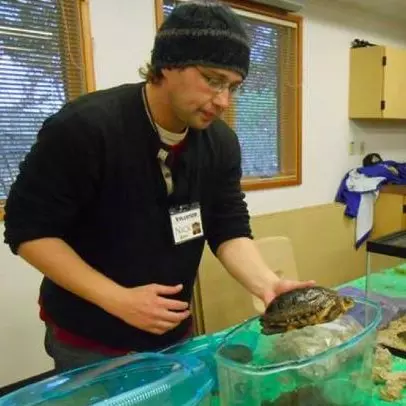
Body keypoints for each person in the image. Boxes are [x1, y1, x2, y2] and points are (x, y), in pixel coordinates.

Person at [3, 0, 314, 372]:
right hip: (90, 338)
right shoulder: (85, 128)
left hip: (172, 330)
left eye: (234, 87)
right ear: (168, 64)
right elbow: (27, 230)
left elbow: (227, 225)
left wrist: (266, 284)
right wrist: (118, 299)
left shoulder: (220, 142)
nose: (222, 101)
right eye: (213, 80)